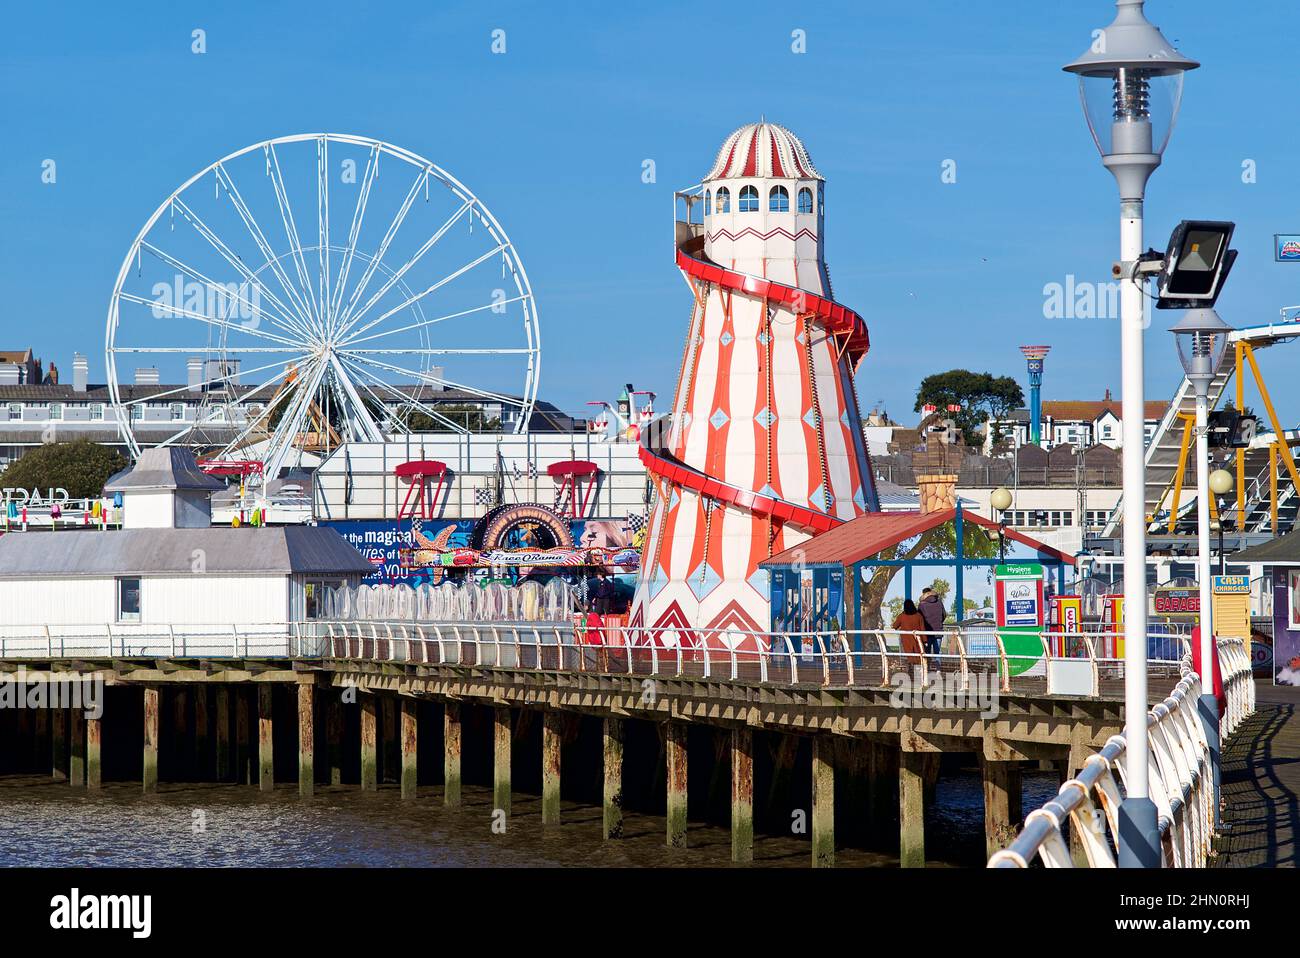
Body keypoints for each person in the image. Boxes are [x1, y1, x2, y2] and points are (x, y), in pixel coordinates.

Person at [918, 587, 946, 656]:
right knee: (937, 653)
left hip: (927, 632)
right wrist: (939, 622)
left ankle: (927, 666)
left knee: (926, 654)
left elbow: (919, 618)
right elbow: (944, 614)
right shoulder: (939, 602)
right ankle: (938, 667)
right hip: (938, 631)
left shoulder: (922, 604)